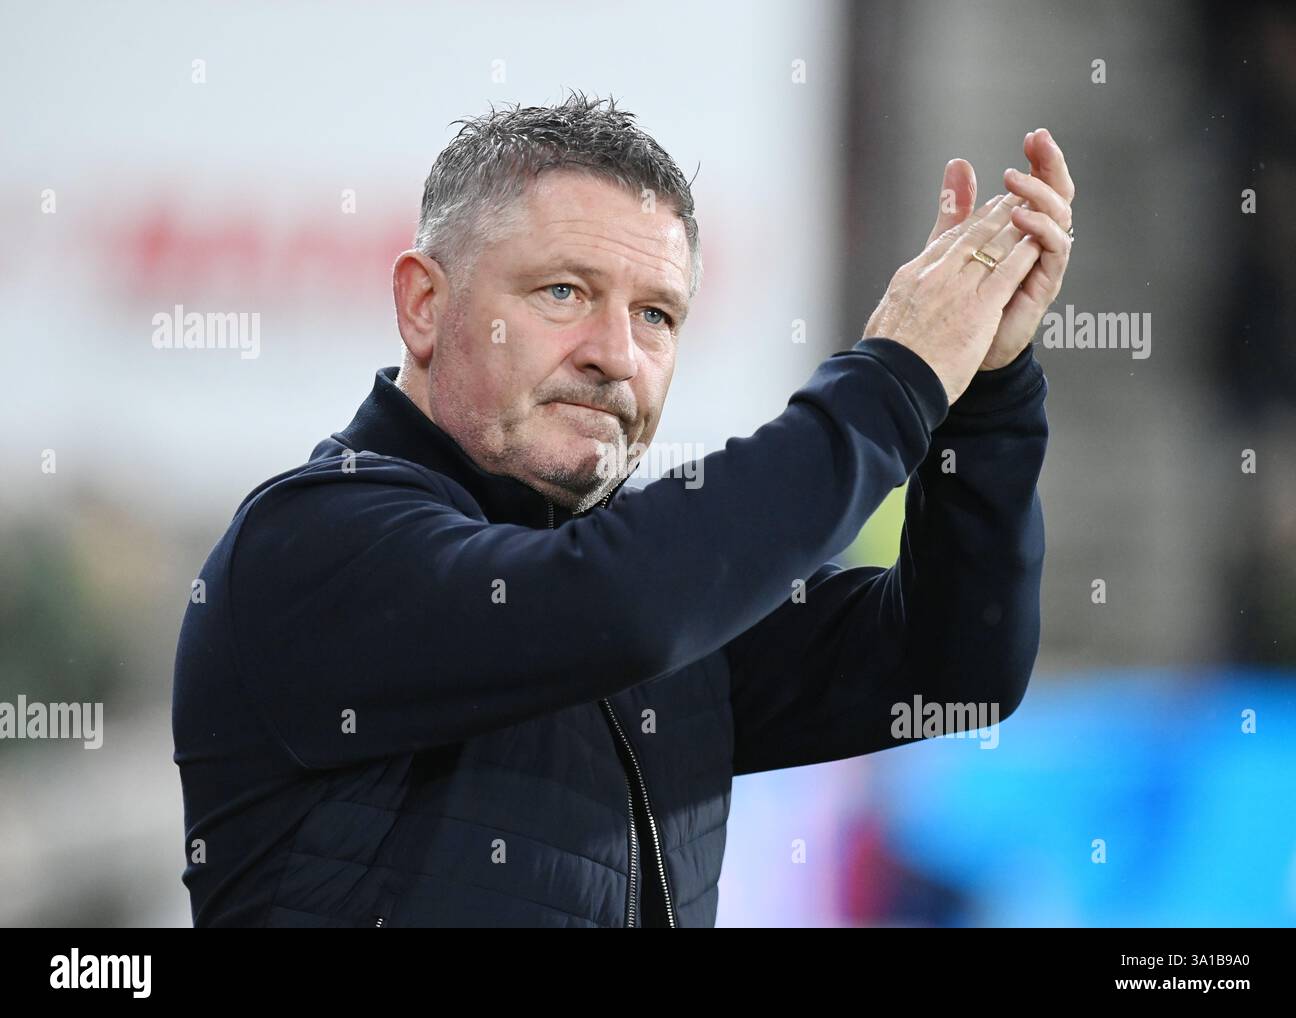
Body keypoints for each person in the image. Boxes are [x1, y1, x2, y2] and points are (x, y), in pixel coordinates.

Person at [171, 91, 1073, 927]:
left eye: (657, 316)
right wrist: (893, 379)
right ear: (423, 305)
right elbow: (623, 604)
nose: (617, 355)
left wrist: (986, 390)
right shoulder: (313, 542)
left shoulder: (644, 594)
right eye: (564, 292)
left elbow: (955, 671)